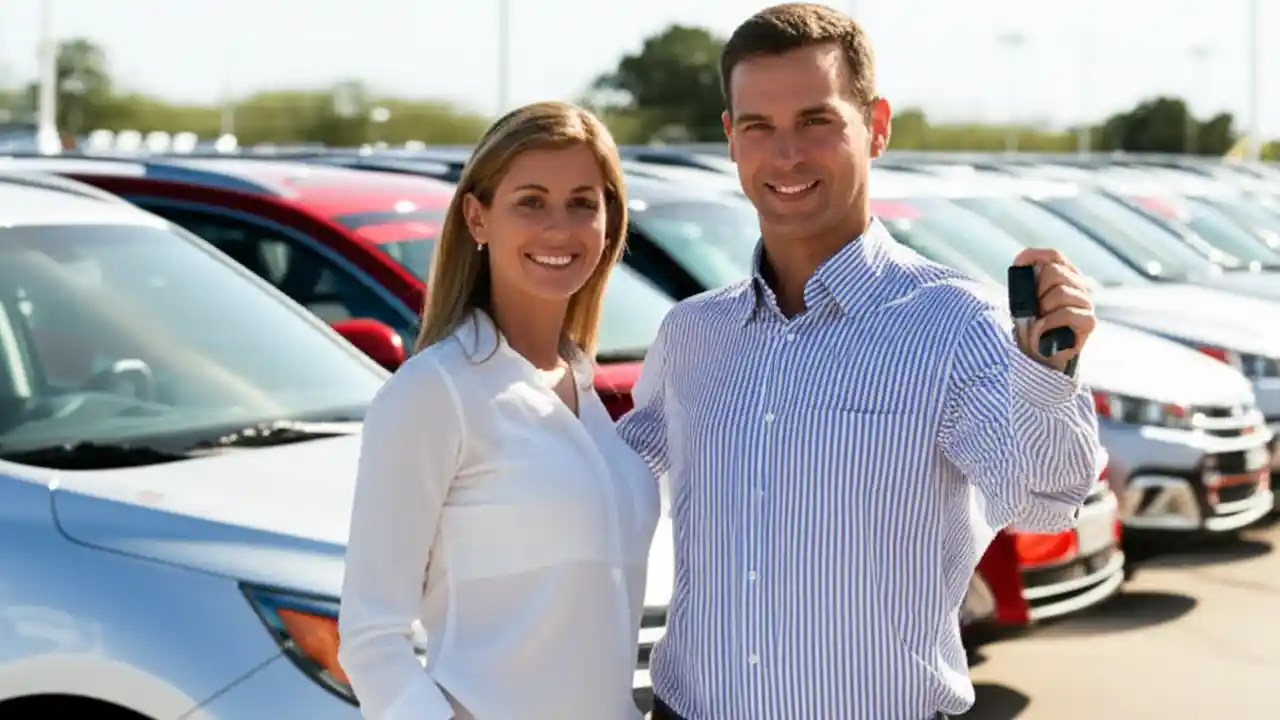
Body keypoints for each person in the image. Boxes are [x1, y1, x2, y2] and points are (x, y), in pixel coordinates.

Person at [617, 5, 1107, 720]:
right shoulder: (692, 333)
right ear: (730, 138)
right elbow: (603, 490)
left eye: (817, 122)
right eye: (759, 127)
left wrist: (1049, 377)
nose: (786, 156)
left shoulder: (951, 322)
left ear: (876, 126)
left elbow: (1042, 503)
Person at [337, 101, 660, 720]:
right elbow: (370, 637)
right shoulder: (434, 394)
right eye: (531, 201)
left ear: (608, 222)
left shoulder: (589, 398)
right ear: (477, 218)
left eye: (582, 203)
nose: (559, 228)